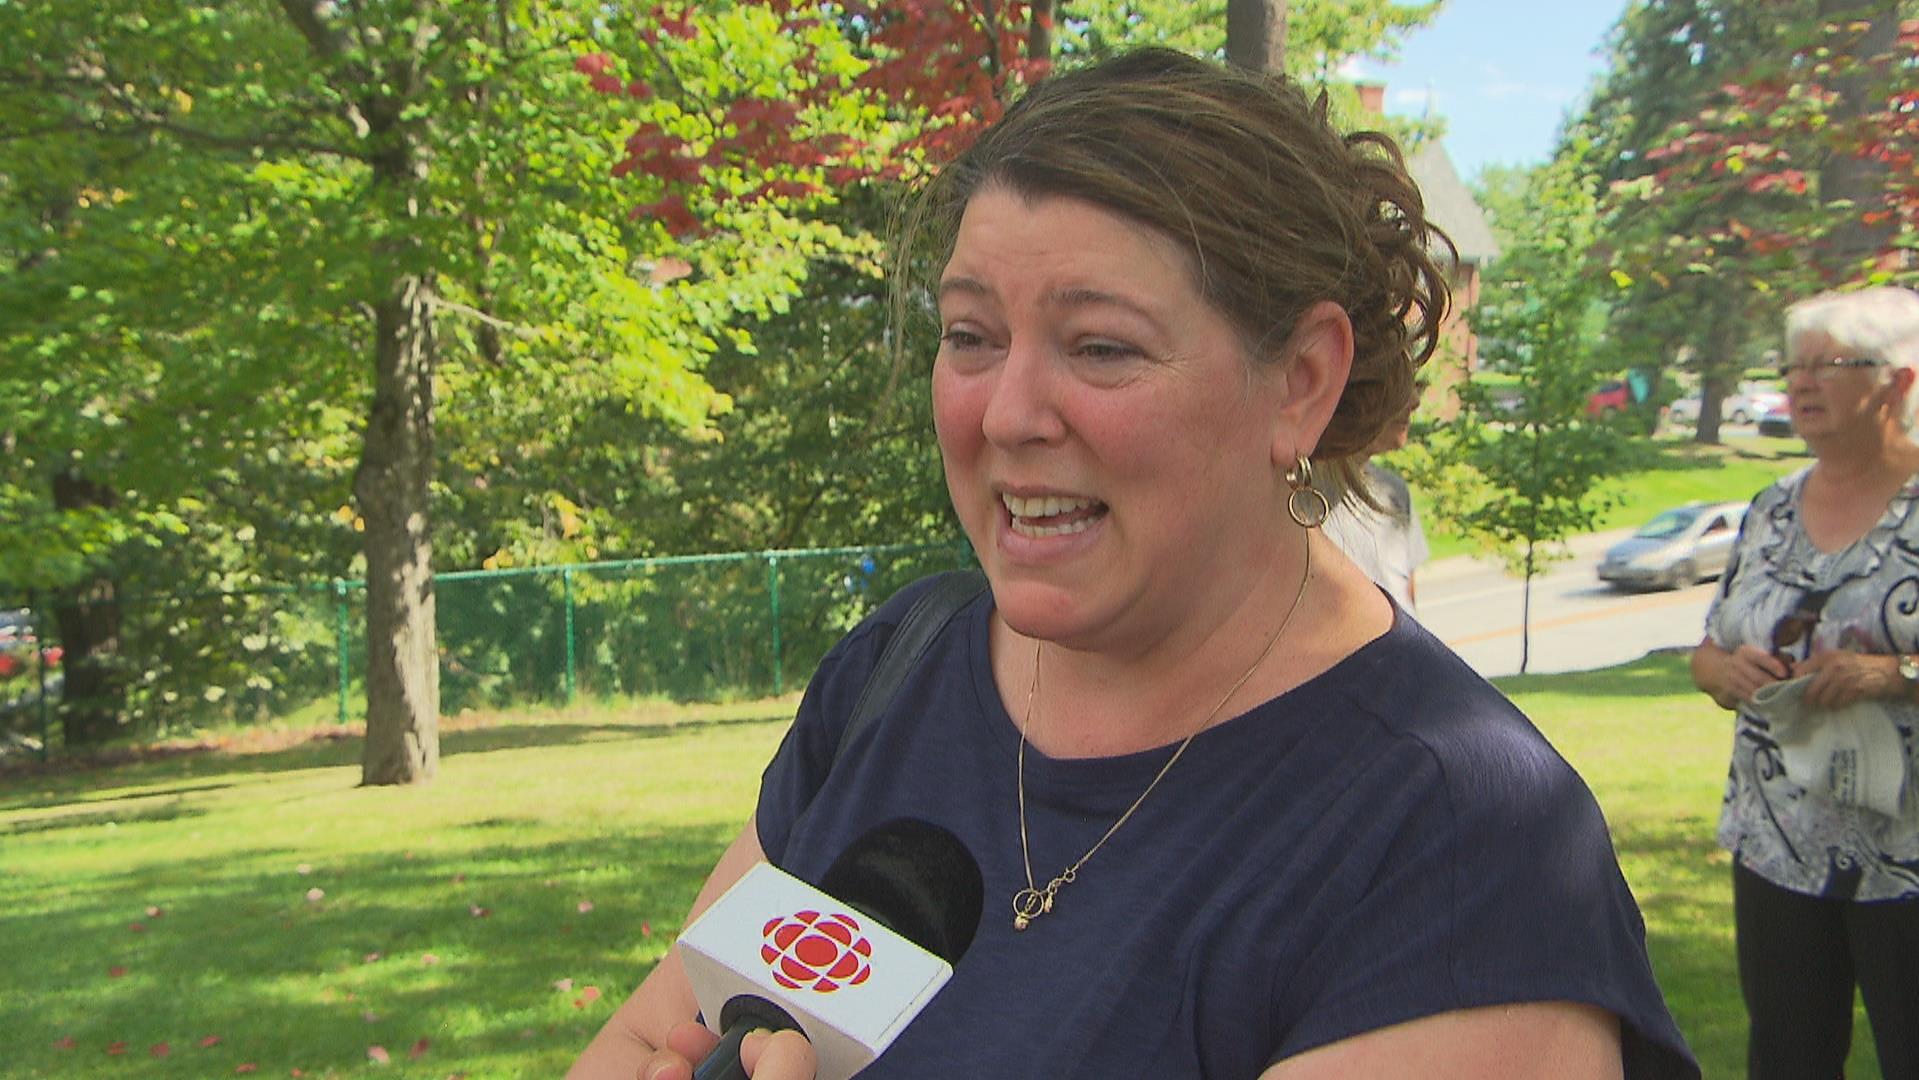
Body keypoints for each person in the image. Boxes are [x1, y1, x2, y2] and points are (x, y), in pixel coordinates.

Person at [573, 48, 1698, 1080]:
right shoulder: (896, 672)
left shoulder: (1448, 846)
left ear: (1300, 378)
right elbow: (644, 1034)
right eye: (969, 335)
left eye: (1098, 346)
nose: (1006, 412)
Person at [1689, 285, 1919, 1080]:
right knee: (1787, 1059)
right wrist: (1729, 671)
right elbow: (1706, 654)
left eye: (1829, 365)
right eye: (1793, 367)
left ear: (1898, 382)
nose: (1800, 384)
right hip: (1777, 843)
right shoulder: (1770, 509)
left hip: (1907, 854)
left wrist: (1895, 673)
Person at [1319, 389, 1428, 612]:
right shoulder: (1298, 502)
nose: (1415, 401)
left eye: (1417, 384)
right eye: (1399, 382)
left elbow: (1408, 602)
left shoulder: (1394, 492)